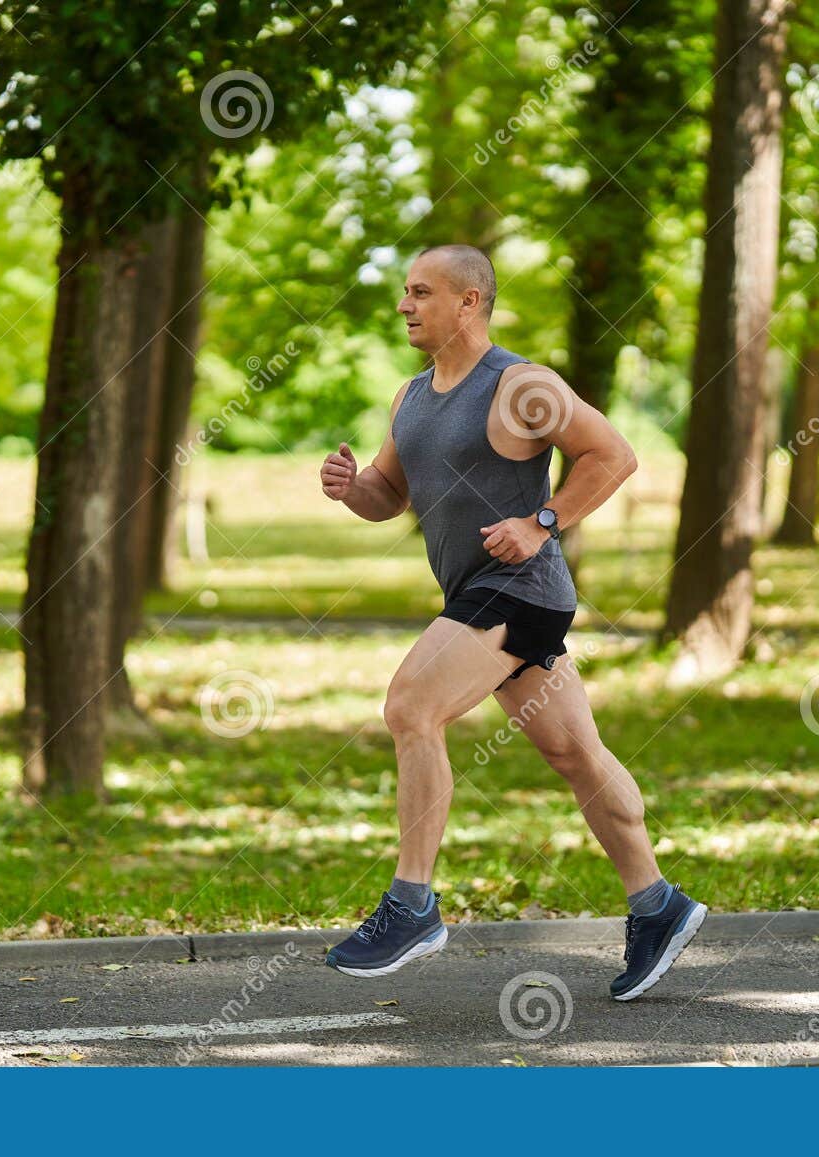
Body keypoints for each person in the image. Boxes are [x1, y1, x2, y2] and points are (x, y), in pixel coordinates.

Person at [318, 244, 706, 1000]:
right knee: (577, 754)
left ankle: (412, 904)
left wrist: (543, 520)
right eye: (404, 290)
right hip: (483, 591)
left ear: (470, 301)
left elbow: (613, 454)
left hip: (519, 587)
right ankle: (658, 903)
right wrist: (349, 489)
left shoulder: (520, 386)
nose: (404, 304)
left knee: (410, 707)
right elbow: (387, 495)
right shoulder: (411, 396)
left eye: (420, 291)